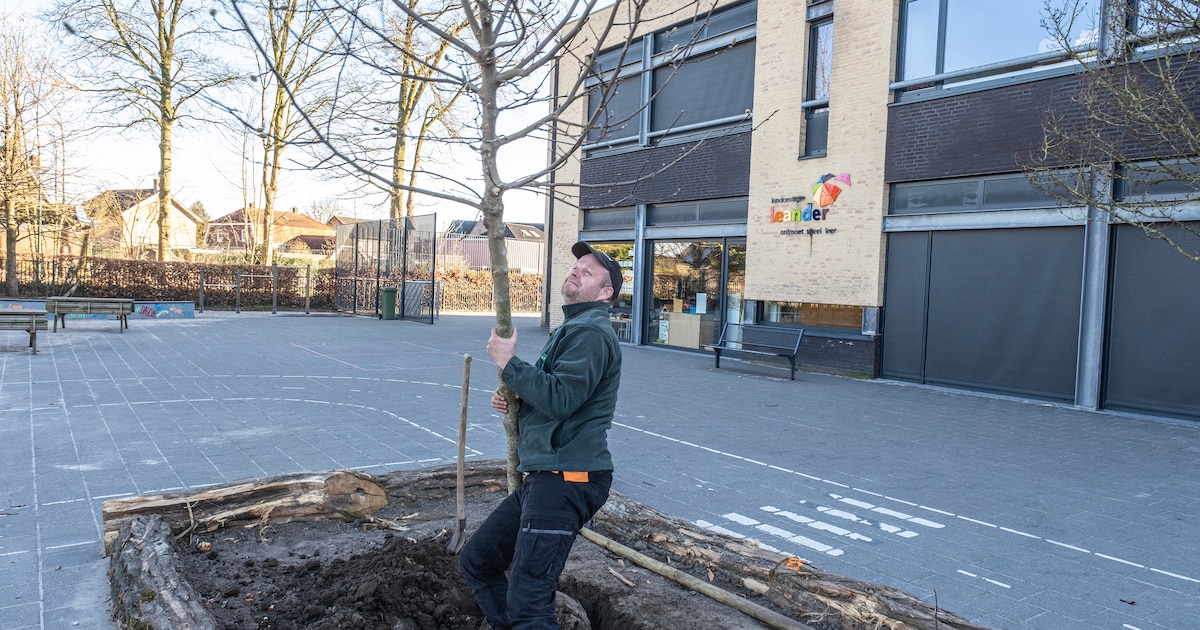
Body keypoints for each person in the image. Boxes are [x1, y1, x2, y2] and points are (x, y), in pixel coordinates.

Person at [460, 241, 624, 630]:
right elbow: (557, 391)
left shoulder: (590, 332)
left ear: (605, 293)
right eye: (577, 265)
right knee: (478, 560)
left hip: (568, 477)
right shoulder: (572, 326)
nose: (576, 271)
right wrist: (517, 395)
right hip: (546, 475)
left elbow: (563, 399)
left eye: (588, 271)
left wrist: (508, 363)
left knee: (529, 599)